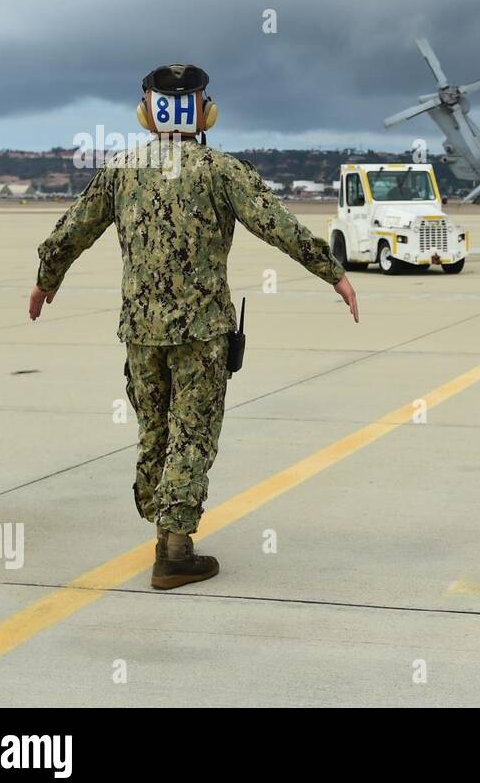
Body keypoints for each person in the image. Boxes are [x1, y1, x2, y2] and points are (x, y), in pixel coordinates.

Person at [28, 64, 359, 589]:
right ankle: (175, 548)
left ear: (146, 111)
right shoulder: (222, 170)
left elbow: (72, 230)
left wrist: (47, 279)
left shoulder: (121, 171)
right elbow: (278, 225)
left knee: (154, 428)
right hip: (202, 332)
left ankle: (163, 525)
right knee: (193, 433)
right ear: (203, 110)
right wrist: (332, 272)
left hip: (140, 331)